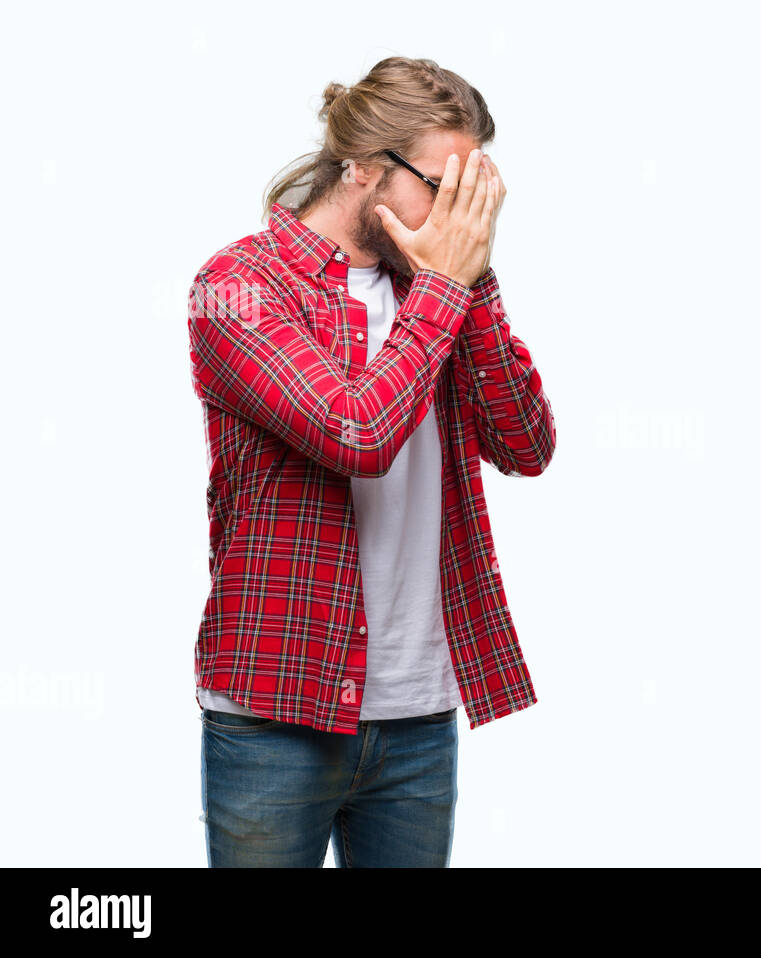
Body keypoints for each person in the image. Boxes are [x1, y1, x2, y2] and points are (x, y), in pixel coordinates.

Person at [187, 56, 556, 867]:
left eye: (476, 189)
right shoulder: (236, 285)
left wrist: (474, 282)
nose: (461, 213)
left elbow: (528, 447)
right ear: (361, 168)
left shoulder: (441, 285)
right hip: (276, 712)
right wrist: (447, 292)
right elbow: (357, 433)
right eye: (441, 184)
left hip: (420, 713)